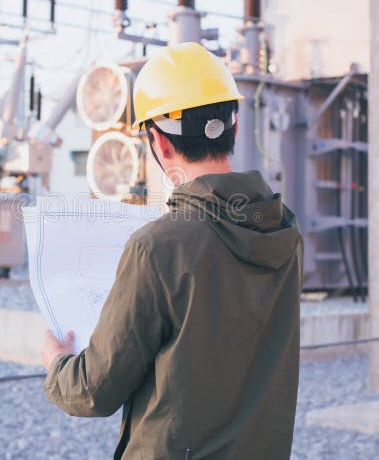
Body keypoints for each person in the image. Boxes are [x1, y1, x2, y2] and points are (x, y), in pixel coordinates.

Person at [41, 42, 303, 459]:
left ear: (159, 145)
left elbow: (95, 390)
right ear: (232, 129)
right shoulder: (284, 229)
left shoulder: (158, 247)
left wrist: (57, 365)